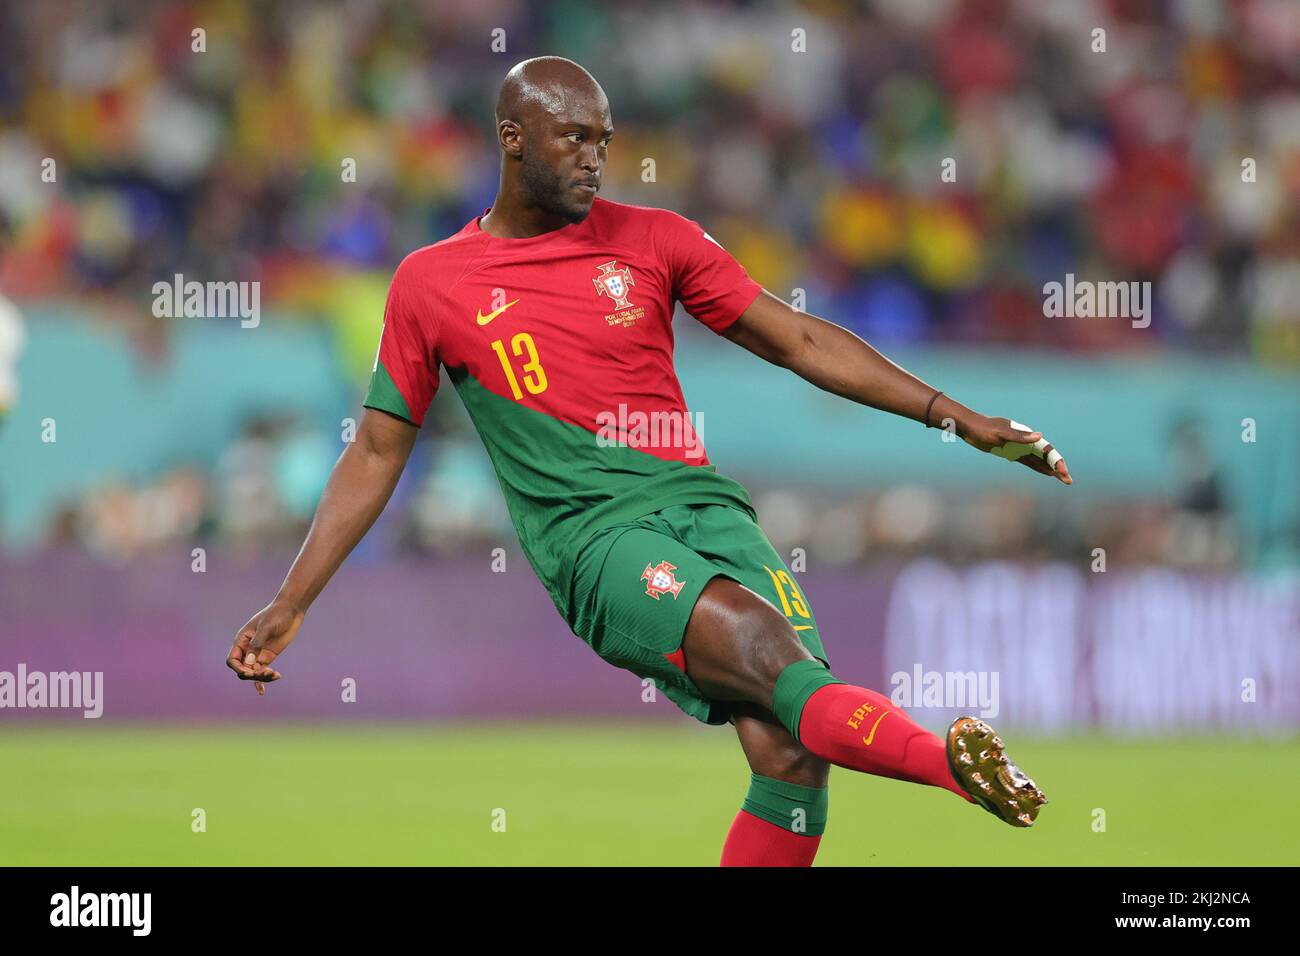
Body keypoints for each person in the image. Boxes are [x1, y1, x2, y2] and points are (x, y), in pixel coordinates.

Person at [229, 57, 1069, 866]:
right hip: (596, 541)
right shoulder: (432, 282)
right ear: (513, 137)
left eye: (604, 138)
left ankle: (945, 763)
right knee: (773, 661)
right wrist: (292, 598)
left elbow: (799, 338)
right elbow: (379, 447)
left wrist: (955, 416)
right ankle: (947, 764)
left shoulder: (655, 240)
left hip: (711, 513)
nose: (595, 158)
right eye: (573, 138)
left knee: (790, 755)